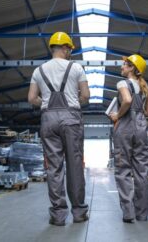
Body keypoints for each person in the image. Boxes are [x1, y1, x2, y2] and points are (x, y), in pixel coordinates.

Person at [28, 31, 90, 226]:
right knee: (75, 166)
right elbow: (86, 96)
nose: (70, 52)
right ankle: (79, 212)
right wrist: (73, 103)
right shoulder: (76, 68)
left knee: (54, 168)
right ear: (65, 48)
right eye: (69, 49)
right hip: (71, 118)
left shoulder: (38, 71)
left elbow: (31, 98)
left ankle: (58, 215)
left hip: (48, 119)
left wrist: (46, 103)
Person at [109, 54, 148, 223]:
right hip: (141, 127)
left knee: (123, 170)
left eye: (125, 65)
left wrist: (117, 116)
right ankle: (142, 214)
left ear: (133, 68)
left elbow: (126, 100)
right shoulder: (145, 87)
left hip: (125, 127)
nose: (122, 67)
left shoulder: (122, 83)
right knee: (142, 171)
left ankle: (128, 213)